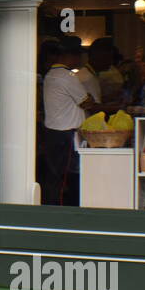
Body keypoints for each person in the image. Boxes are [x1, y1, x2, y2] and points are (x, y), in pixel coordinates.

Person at [41, 35, 96, 206]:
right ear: (71, 56)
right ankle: (64, 210)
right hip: (66, 134)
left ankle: (55, 208)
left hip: (54, 133)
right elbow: (86, 102)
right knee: (69, 178)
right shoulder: (67, 77)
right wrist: (92, 98)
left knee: (56, 177)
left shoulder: (51, 74)